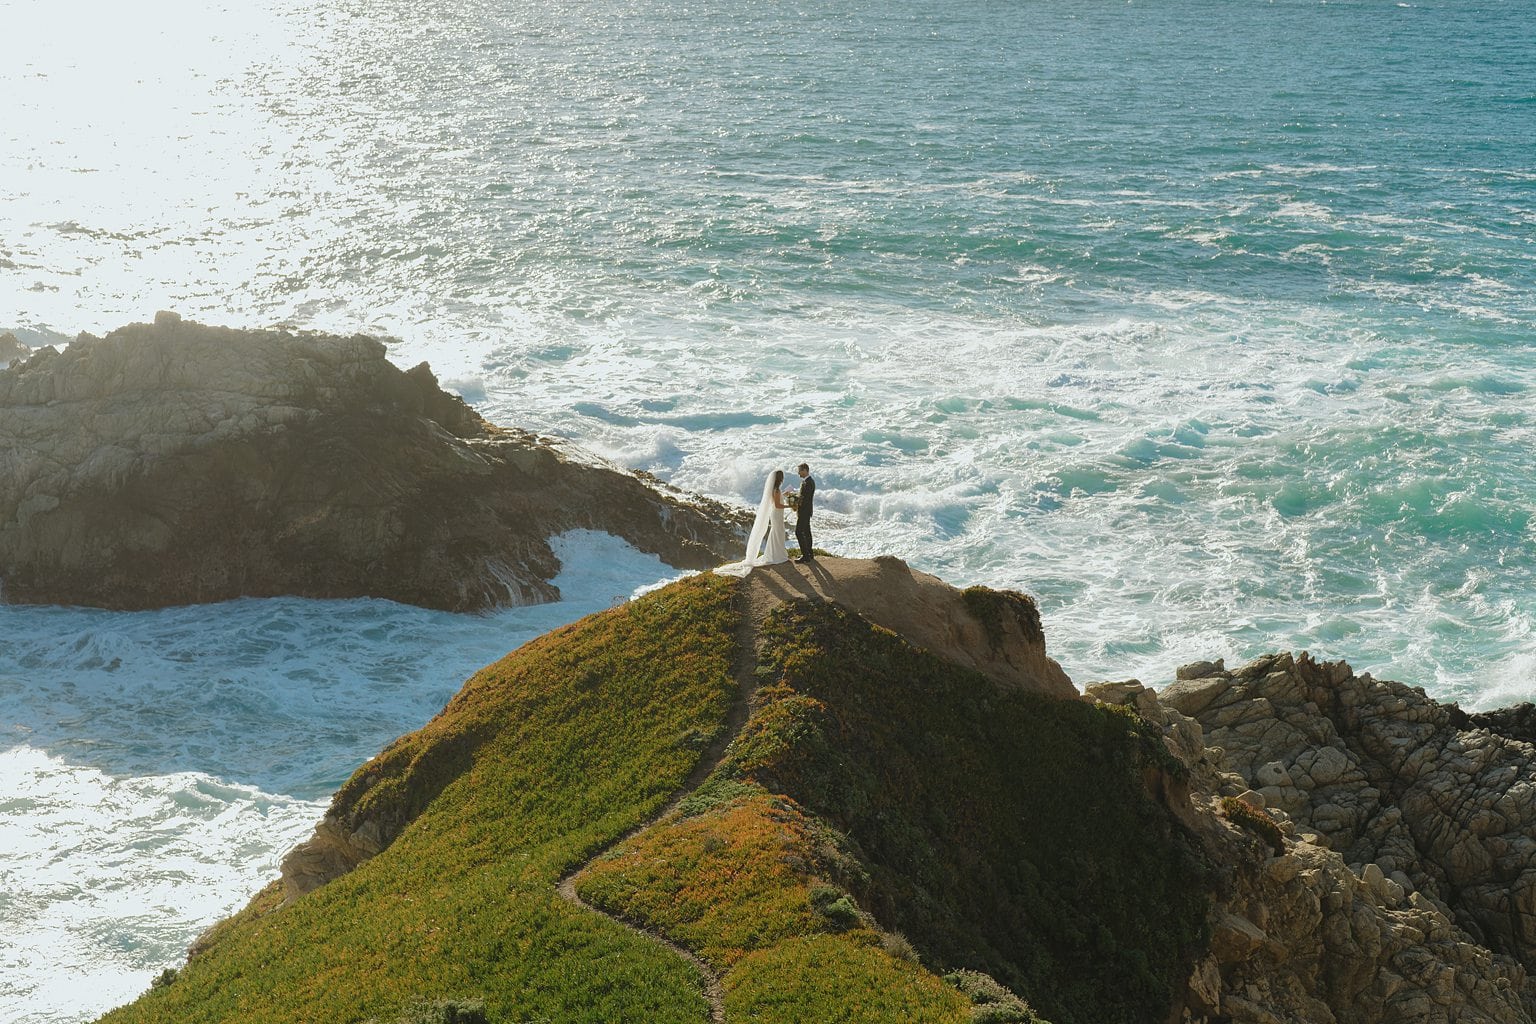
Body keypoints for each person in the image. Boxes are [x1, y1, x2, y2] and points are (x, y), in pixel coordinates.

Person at [714, 469, 789, 576]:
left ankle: (775, 554)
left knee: (777, 532)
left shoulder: (775, 490)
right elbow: (777, 505)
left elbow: (777, 499)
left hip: (776, 514)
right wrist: (791, 506)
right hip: (777, 514)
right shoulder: (776, 490)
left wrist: (785, 494)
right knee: (778, 532)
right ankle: (777, 554)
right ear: (780, 479)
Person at [791, 463, 815, 563]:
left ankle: (805, 556)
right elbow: (803, 497)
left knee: (798, 532)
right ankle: (809, 553)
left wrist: (795, 502)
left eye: (799, 471)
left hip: (805, 511)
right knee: (806, 532)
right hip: (805, 511)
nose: (798, 473)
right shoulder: (806, 481)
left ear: (805, 470)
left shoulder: (809, 482)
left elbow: (805, 499)